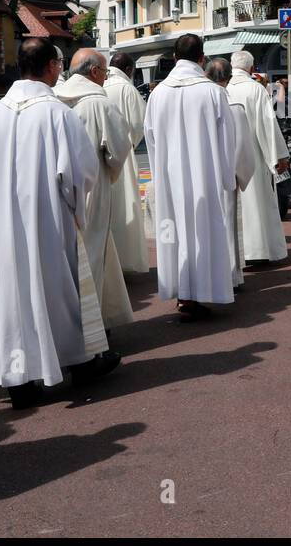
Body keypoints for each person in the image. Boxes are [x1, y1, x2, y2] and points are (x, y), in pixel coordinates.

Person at [0, 39, 119, 410]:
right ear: (51, 67)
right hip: (47, 219)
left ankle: (19, 377)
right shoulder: (57, 113)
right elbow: (82, 173)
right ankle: (79, 362)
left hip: (1, 223)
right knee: (58, 290)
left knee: (12, 295)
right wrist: (75, 209)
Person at [143, 34, 240, 320]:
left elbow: (149, 137)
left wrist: (158, 173)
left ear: (174, 58)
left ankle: (182, 290)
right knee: (204, 230)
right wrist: (226, 177)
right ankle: (201, 291)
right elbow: (227, 139)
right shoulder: (213, 92)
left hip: (170, 177)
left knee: (175, 232)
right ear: (202, 58)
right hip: (204, 175)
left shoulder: (158, 93)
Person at [56, 49, 135, 333]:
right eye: (104, 71)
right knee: (92, 256)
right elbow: (118, 148)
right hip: (93, 190)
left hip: (61, 191)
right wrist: (110, 172)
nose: (105, 77)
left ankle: (72, 323)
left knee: (68, 258)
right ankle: (92, 327)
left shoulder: (55, 98)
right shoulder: (98, 103)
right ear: (94, 73)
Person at [227, 50, 290, 265]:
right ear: (251, 68)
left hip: (228, 156)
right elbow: (267, 124)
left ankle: (239, 254)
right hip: (253, 153)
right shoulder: (255, 89)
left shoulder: (221, 88)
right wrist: (279, 156)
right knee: (257, 202)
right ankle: (259, 251)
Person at [206, 57, 258, 289]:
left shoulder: (192, 100)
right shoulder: (233, 105)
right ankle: (229, 276)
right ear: (227, 78)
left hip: (197, 177)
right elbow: (242, 148)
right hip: (224, 176)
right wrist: (241, 175)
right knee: (226, 225)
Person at [102, 50, 149, 274]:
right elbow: (140, 124)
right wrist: (129, 142)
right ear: (129, 70)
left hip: (100, 156)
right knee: (125, 207)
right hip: (124, 155)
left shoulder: (98, 85)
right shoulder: (127, 89)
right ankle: (125, 260)